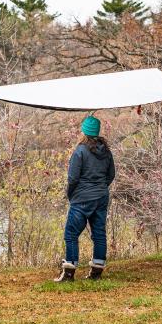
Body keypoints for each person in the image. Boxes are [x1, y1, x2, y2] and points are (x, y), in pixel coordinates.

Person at [55, 115, 115, 282]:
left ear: (84, 132)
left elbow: (73, 178)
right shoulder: (107, 151)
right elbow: (111, 175)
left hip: (81, 198)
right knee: (99, 233)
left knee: (71, 234)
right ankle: (96, 272)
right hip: (101, 197)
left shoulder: (80, 151)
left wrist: (71, 194)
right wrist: (101, 188)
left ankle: (69, 273)